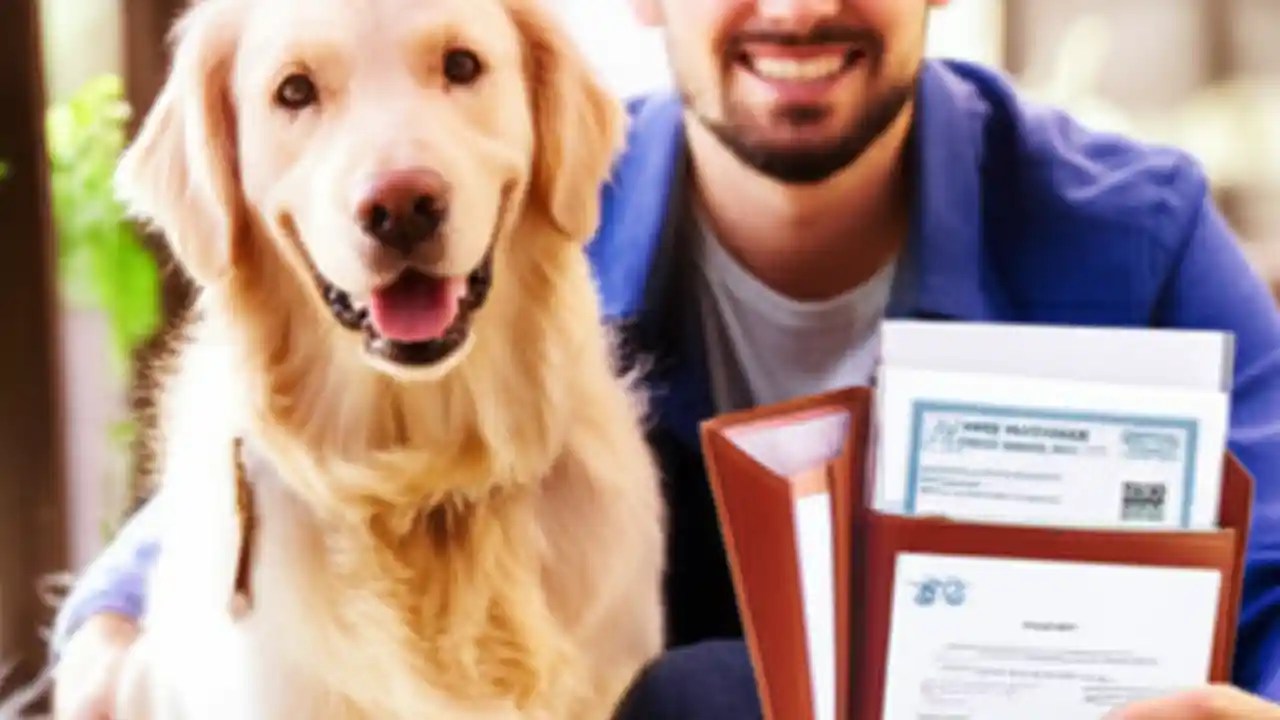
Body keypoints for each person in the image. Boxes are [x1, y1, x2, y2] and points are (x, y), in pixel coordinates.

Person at [50, 0, 1280, 718]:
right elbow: (260, 492)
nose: (794, 7)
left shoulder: (1138, 241)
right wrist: (118, 634)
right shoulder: (533, 234)